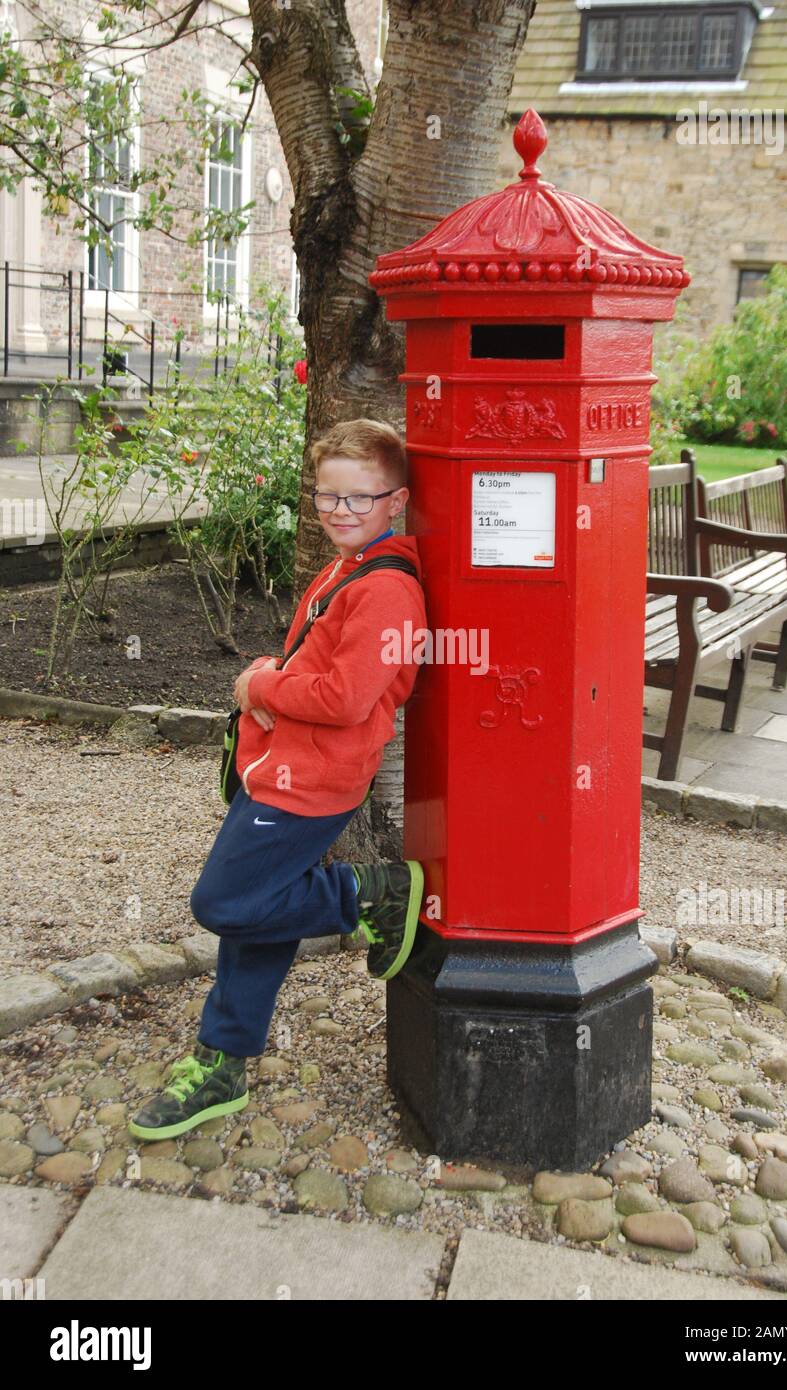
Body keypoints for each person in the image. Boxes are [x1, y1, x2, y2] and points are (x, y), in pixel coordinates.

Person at [128, 419, 427, 1142]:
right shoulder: (350, 565)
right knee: (259, 918)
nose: (341, 511)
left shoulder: (385, 587)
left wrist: (259, 684)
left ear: (397, 500)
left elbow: (347, 697)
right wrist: (278, 681)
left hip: (311, 781)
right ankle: (223, 1062)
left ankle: (373, 895)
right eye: (329, 496)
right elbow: (322, 667)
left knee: (225, 901)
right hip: (283, 768)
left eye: (361, 497)